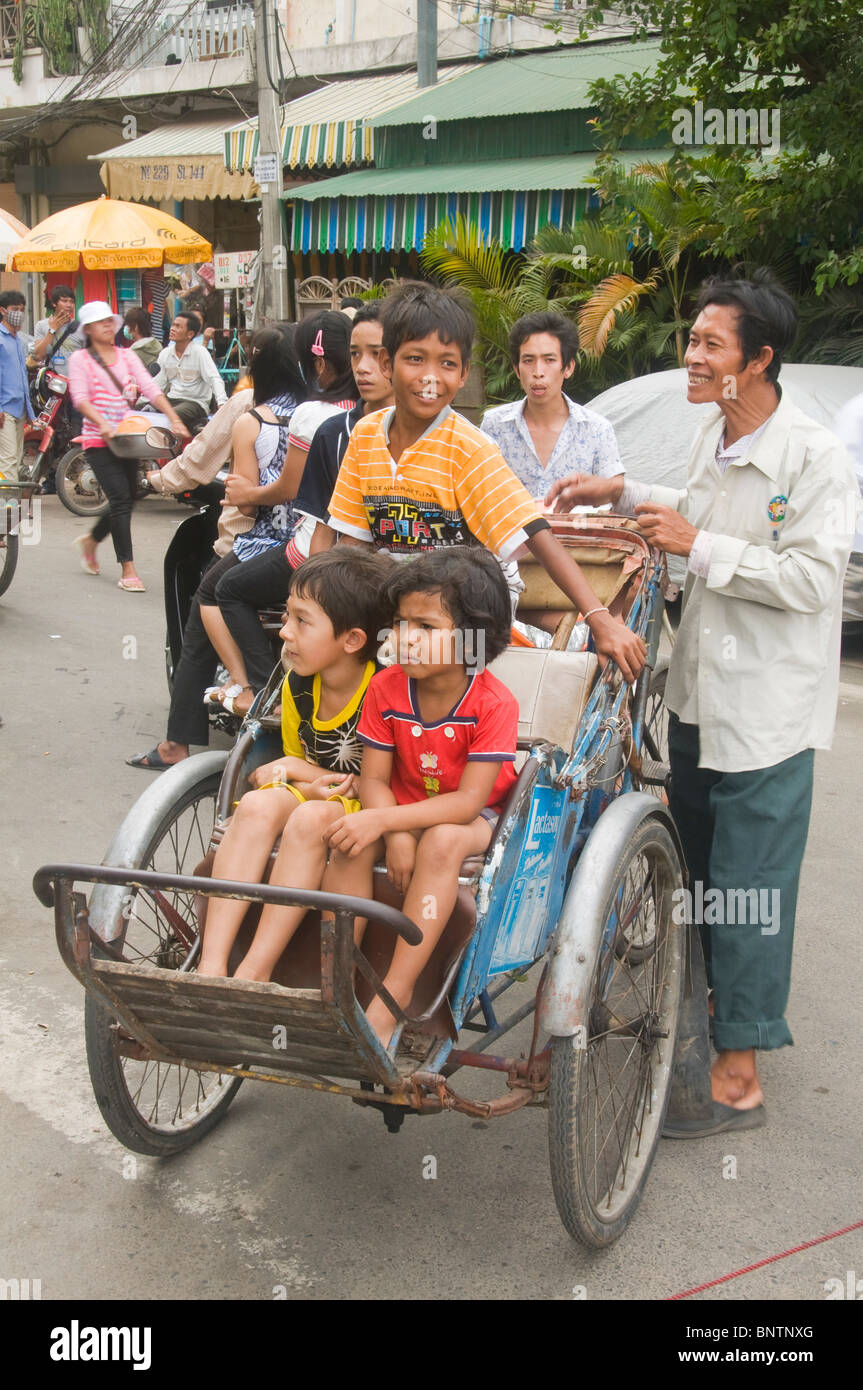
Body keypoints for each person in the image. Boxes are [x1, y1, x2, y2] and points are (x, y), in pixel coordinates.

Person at [549, 272, 859, 1135]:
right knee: (701, 878)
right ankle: (703, 1021)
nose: (690, 355)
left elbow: (807, 580)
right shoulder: (711, 437)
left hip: (764, 712)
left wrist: (701, 546)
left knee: (750, 890)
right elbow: (692, 506)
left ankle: (738, 1078)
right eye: (690, 340)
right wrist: (622, 498)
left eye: (708, 344)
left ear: (757, 359)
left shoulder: (810, 455)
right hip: (696, 696)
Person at [325, 282, 646, 681]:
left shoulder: (469, 447)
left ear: (462, 376)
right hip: (401, 598)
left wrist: (600, 618)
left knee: (429, 671)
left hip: (471, 601)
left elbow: (534, 532)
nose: (430, 378)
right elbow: (351, 543)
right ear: (388, 364)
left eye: (446, 364)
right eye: (415, 359)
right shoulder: (366, 435)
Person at [322, 548, 518, 1050]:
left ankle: (393, 997)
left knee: (442, 841)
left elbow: (467, 804)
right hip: (401, 808)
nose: (406, 639)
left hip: (476, 816)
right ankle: (332, 982)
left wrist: (395, 825)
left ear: (474, 638)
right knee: (351, 839)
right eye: (402, 623)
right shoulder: (387, 688)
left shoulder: (493, 703)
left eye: (426, 627)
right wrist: (391, 828)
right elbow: (373, 778)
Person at [196, 547, 393, 981]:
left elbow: (383, 783)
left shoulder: (385, 692)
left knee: (308, 819)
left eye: (302, 621)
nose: (285, 632)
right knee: (255, 807)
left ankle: (255, 971)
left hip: (372, 809)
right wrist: (307, 779)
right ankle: (211, 965)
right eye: (288, 617)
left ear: (353, 640)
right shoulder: (297, 685)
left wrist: (304, 777)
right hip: (319, 795)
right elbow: (296, 763)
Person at [212, 304, 392, 717]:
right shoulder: (339, 429)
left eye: (378, 355)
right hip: (324, 559)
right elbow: (327, 521)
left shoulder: (311, 416)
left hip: (327, 559)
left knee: (224, 589)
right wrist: (318, 591)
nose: (366, 367)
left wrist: (246, 493)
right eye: (356, 354)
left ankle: (259, 686)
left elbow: (289, 493)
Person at [197, 325, 305, 711]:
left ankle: (248, 683)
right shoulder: (320, 415)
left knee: (213, 591)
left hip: (270, 541)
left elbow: (245, 506)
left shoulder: (253, 421)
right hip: (315, 539)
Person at [66, 300, 189, 591]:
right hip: (98, 439)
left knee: (130, 496)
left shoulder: (127, 356)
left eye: (110, 320)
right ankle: (128, 569)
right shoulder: (80, 360)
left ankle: (91, 540)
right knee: (121, 498)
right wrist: (103, 422)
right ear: (89, 329)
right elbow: (80, 398)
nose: (108, 325)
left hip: (128, 438)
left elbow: (151, 389)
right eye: (100, 322)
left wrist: (174, 419)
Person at [480, 310, 623, 503]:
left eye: (549, 360)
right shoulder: (494, 425)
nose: (538, 372)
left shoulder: (597, 429)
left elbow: (615, 496)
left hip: (578, 532)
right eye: (528, 361)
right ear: (516, 368)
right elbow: (480, 495)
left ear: (569, 367)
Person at [151, 310, 227, 431]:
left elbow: (214, 379)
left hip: (195, 403)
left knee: (169, 415)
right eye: (173, 325)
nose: (172, 329)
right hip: (172, 400)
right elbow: (157, 384)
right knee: (146, 412)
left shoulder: (200, 352)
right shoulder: (165, 353)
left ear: (190, 334)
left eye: (178, 326)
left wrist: (222, 403)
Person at [0, 289, 35, 482]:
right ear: (3, 310)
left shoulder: (17, 340)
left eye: (22, 309)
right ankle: (8, 507)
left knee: (15, 458)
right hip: (4, 409)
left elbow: (22, 378)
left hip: (19, 408)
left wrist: (29, 413)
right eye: (15, 309)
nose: (19, 313)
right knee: (8, 459)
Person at [30, 285, 85, 371]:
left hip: (74, 377)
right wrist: (52, 330)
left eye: (72, 302)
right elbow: (39, 356)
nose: (69, 305)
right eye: (64, 301)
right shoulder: (41, 325)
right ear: (54, 303)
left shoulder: (80, 328)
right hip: (51, 379)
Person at [123, 307, 161, 372]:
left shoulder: (134, 353)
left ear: (135, 327)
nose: (127, 329)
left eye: (128, 325)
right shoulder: (158, 347)